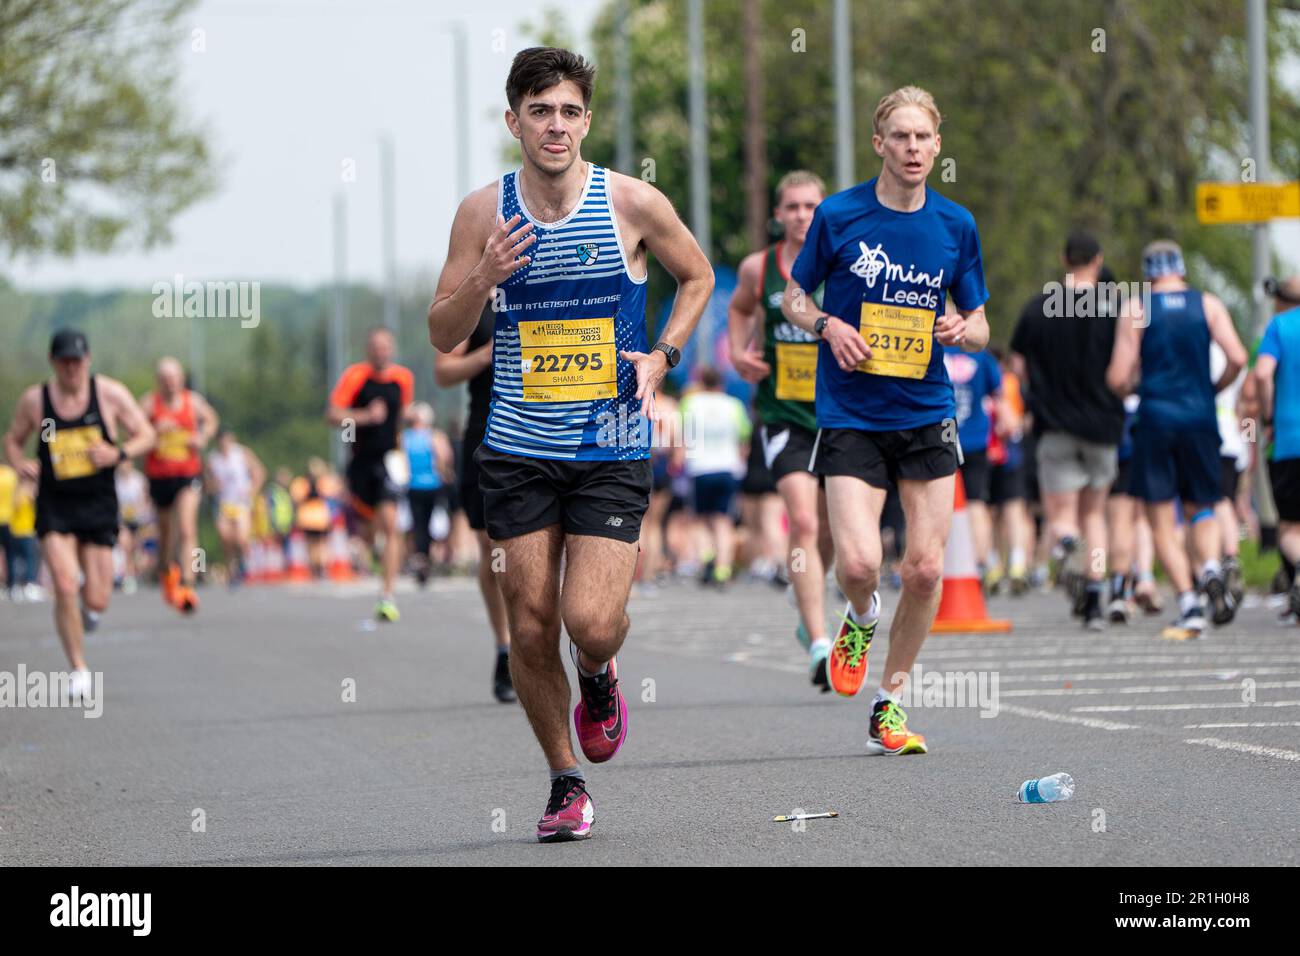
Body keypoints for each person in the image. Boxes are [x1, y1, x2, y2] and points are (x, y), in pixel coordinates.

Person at [427, 46, 712, 841]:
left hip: (612, 439)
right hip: (516, 442)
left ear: (587, 120)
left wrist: (664, 354)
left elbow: (698, 276)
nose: (556, 126)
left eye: (570, 112)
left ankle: (598, 671)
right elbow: (444, 337)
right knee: (526, 622)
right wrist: (482, 277)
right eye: (540, 111)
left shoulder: (632, 201)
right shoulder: (483, 213)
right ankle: (564, 780)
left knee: (588, 620)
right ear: (513, 120)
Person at [782, 85, 991, 754]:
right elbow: (792, 297)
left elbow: (983, 324)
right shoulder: (840, 216)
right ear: (879, 143)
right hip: (852, 412)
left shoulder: (956, 225)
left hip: (927, 410)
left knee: (927, 569)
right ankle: (861, 616)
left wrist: (965, 327)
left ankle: (890, 702)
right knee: (862, 562)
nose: (912, 148)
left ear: (937, 146)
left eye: (923, 138)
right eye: (899, 136)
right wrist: (827, 324)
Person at [728, 169, 837, 687]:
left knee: (832, 530)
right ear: (778, 214)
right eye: (792, 207)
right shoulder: (759, 267)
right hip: (783, 415)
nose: (801, 216)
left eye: (811, 206)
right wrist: (736, 352)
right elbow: (738, 308)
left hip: (839, 414)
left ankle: (808, 592)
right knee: (805, 524)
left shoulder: (842, 264)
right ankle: (820, 642)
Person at [1106, 240, 1248, 638]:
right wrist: (1213, 388)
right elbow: (1237, 357)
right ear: (1181, 268)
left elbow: (1117, 377)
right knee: (1200, 503)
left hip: (1155, 419)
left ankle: (1188, 603)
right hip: (1201, 418)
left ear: (1148, 271)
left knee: (1158, 516)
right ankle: (1208, 568)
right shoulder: (1209, 304)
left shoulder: (1138, 308)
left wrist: (1136, 387)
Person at [3, 329, 155, 698]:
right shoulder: (37, 401)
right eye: (64, 362)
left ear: (88, 359)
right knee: (65, 581)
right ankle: (78, 667)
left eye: (77, 361)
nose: (72, 369)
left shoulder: (109, 395)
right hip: (56, 505)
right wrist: (20, 462)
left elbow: (146, 434)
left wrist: (117, 453)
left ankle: (88, 610)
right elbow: (13, 438)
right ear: (54, 363)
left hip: (98, 504)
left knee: (98, 597)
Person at [1010, 231, 1126, 629]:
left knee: (1061, 516)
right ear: (1098, 259)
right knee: (1095, 514)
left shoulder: (1039, 307)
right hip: (1104, 424)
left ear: (1064, 258)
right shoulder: (1116, 306)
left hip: (1054, 425)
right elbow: (1128, 366)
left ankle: (1066, 545)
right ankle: (1095, 596)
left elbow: (1019, 364)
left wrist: (1038, 391)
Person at [435, 303, 516, 702]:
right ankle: (505, 650)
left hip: (545, 435)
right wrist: (486, 355)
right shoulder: (479, 302)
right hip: (486, 436)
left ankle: (535, 643)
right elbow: (444, 371)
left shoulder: (550, 286)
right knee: (492, 548)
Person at [327, 327, 414, 622]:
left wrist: (403, 450)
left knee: (391, 526)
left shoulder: (403, 378)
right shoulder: (356, 376)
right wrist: (364, 416)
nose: (381, 352)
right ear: (368, 350)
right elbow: (332, 414)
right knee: (366, 532)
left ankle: (387, 595)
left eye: (385, 347)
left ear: (391, 349)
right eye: (376, 347)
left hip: (388, 461)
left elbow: (401, 417)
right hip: (360, 463)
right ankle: (373, 553)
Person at [140, 357, 218, 613]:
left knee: (186, 527)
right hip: (160, 476)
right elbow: (133, 431)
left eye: (174, 378)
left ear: (181, 379)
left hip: (188, 475)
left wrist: (202, 436)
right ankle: (165, 572)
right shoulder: (150, 404)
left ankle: (188, 584)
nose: (170, 383)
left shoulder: (192, 401)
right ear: (158, 381)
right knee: (165, 534)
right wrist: (153, 430)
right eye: (165, 379)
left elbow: (211, 420)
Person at [1252, 275, 1300, 623]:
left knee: (1289, 527)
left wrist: (1268, 413)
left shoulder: (1278, 327)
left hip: (1289, 437)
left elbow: (1262, 374)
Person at [679, 367, 750, 587]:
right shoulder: (734, 405)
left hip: (699, 467)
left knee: (699, 519)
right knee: (723, 521)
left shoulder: (690, 403)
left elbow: (682, 435)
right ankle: (723, 568)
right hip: (727, 467)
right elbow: (744, 437)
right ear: (722, 383)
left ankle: (707, 555)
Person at [403, 403, 454, 585]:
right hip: (433, 485)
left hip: (412, 486)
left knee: (418, 525)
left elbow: (400, 461)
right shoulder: (434, 436)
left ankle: (421, 557)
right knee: (434, 523)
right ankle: (427, 557)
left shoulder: (405, 437)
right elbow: (444, 458)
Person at [206, 430, 265, 586]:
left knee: (241, 537)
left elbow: (259, 472)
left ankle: (243, 563)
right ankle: (232, 569)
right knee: (225, 538)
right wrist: (213, 487)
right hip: (223, 502)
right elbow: (208, 482)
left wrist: (252, 491)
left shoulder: (242, 453)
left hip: (241, 502)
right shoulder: (213, 459)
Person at [114, 458, 152, 594]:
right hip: (122, 520)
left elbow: (145, 499)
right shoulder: (115, 481)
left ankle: (140, 573)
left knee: (137, 548)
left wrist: (139, 510)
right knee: (125, 546)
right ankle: (128, 577)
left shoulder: (139, 479)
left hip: (139, 519)